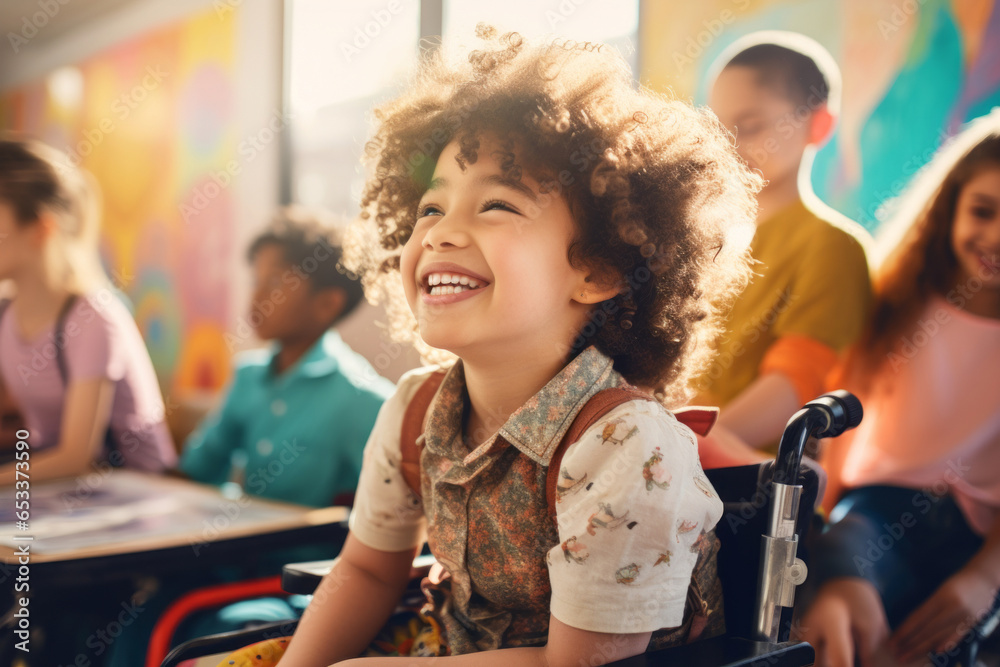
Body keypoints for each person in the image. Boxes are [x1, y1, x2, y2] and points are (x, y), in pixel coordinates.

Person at [218, 26, 763, 667]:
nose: (444, 232)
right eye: (430, 207)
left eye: (497, 205)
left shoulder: (627, 444)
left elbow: (579, 664)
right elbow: (366, 571)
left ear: (598, 270)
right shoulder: (414, 411)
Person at [801, 112, 1000, 667]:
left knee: (947, 643)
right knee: (842, 595)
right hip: (879, 511)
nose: (997, 236)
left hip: (987, 541)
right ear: (949, 209)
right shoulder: (897, 301)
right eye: (983, 211)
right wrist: (829, 549)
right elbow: (842, 425)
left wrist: (984, 577)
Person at [698, 31, 873, 458]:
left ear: (819, 124)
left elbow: (793, 385)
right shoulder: (700, 238)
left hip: (753, 484)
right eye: (716, 128)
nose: (727, 147)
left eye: (751, 126)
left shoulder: (832, 246)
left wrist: (681, 448)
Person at [178, 207, 395, 507]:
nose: (256, 298)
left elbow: (391, 513)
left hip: (313, 554)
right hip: (242, 547)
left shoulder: (365, 400)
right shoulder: (248, 376)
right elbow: (200, 468)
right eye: (256, 281)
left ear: (327, 304)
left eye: (276, 284)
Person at [0, 136, 175, 484]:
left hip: (136, 494)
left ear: (41, 227)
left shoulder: (92, 316)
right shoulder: (7, 312)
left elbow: (77, 457)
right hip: (59, 488)